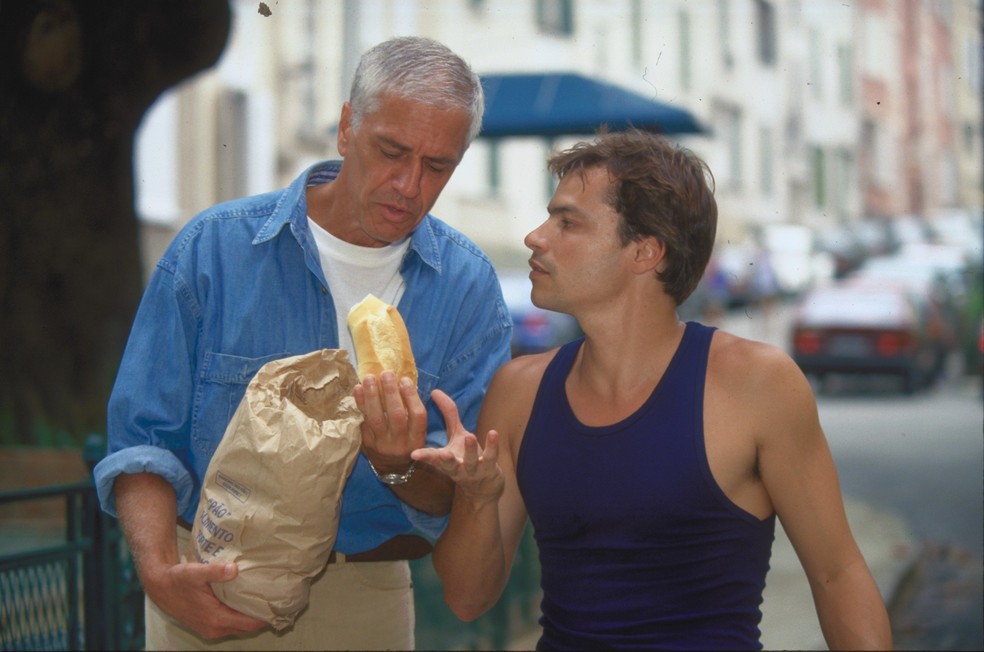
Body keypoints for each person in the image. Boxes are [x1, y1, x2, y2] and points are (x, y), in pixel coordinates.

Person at [92, 36, 512, 650]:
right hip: (211, 580)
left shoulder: (469, 288)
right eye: (391, 151)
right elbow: (142, 439)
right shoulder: (215, 251)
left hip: (367, 596)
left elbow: (450, 498)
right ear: (346, 128)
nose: (409, 185)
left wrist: (397, 465)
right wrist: (158, 572)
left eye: (438, 166)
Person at [410, 129, 892, 650]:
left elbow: (837, 574)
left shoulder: (756, 383)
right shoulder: (520, 390)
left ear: (645, 252)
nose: (536, 236)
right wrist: (478, 499)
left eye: (568, 222)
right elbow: (465, 598)